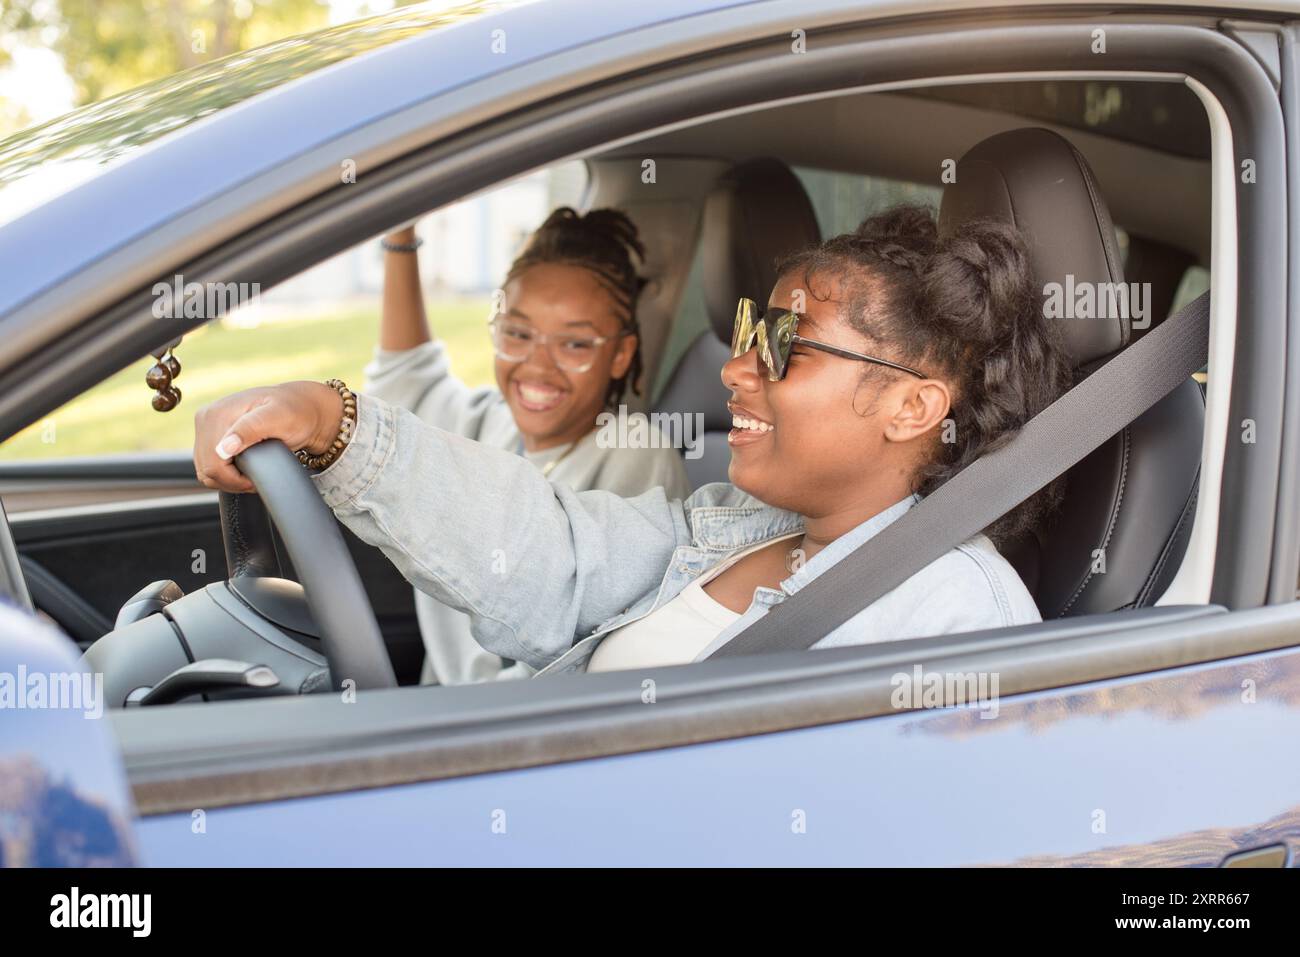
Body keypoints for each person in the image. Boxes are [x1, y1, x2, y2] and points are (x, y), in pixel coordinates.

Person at [194, 205, 1070, 676]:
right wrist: (333, 424)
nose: (736, 369)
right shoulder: (735, 522)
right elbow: (553, 554)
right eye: (742, 329)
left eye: (780, 343)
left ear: (913, 408)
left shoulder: (955, 618)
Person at [361, 208, 690, 684]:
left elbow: (589, 651)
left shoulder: (635, 457)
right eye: (517, 334)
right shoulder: (481, 422)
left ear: (620, 355)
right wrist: (401, 232)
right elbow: (404, 374)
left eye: (574, 344)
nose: (537, 366)